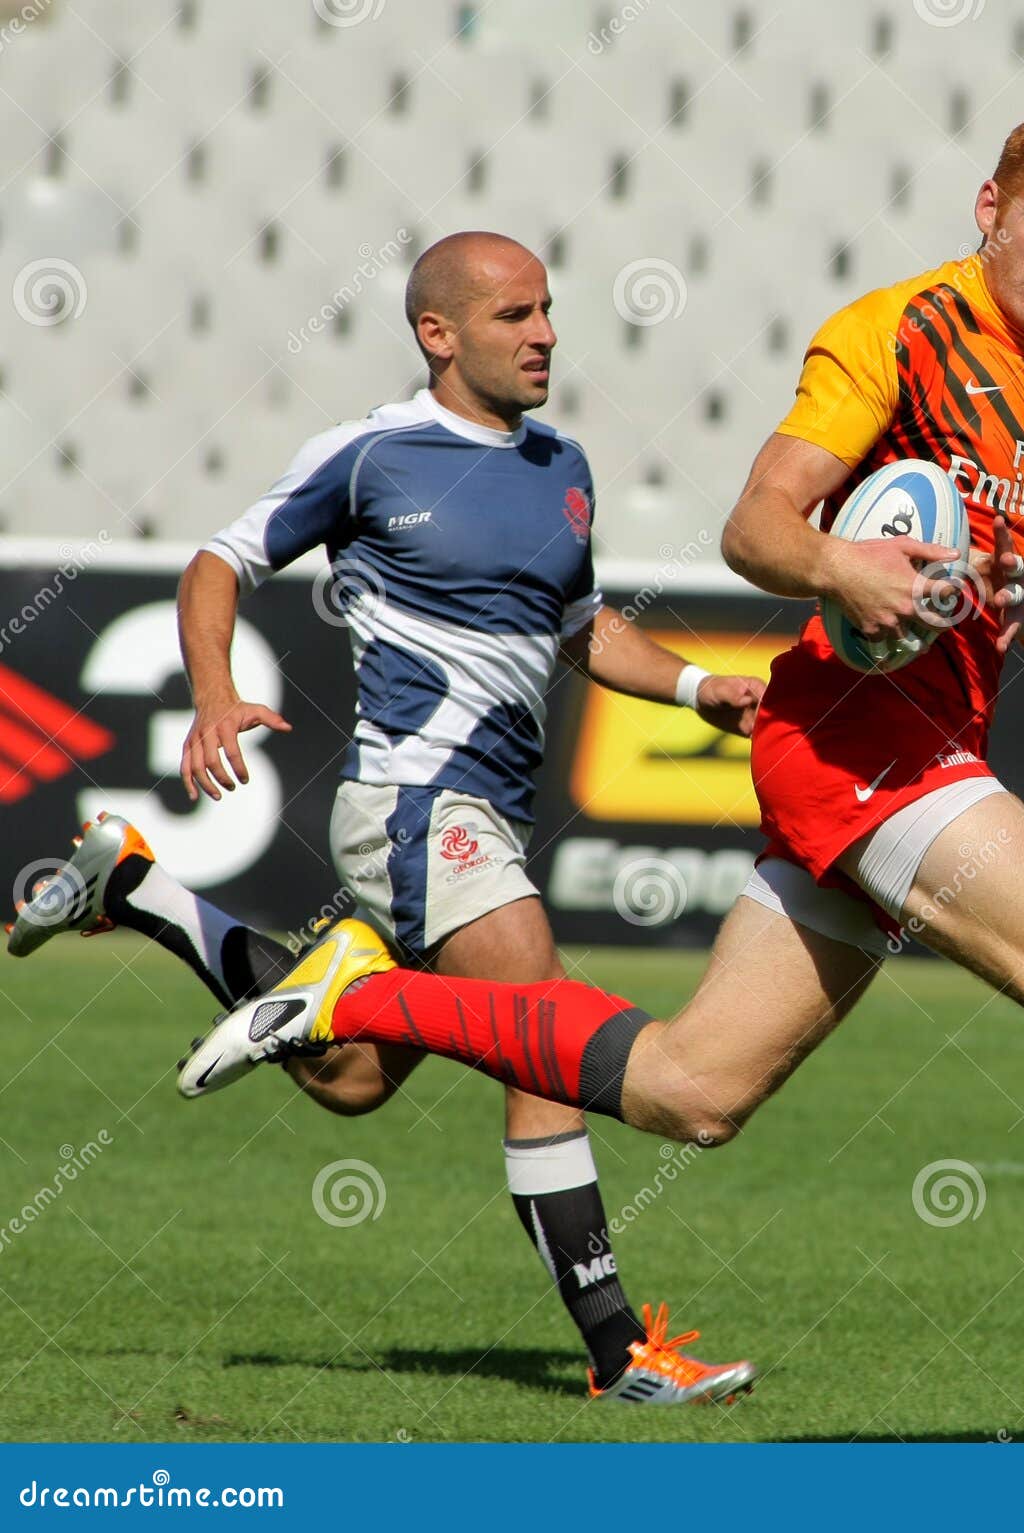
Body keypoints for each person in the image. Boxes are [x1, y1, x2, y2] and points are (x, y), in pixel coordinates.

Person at [174, 108, 1024, 1442]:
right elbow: (756, 528)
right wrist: (852, 568)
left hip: (934, 741)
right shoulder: (894, 334)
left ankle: (364, 997)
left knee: (693, 1092)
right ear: (988, 207)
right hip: (849, 733)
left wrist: (1019, 597)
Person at [7, 231, 757, 1406]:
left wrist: (699, 689)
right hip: (418, 804)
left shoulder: (563, 463)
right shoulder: (370, 456)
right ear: (438, 334)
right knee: (542, 1025)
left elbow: (582, 630)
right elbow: (217, 561)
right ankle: (621, 1355)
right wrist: (212, 693)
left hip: (483, 819)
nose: (545, 333)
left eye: (548, 310)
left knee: (349, 1078)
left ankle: (142, 893)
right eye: (514, 314)